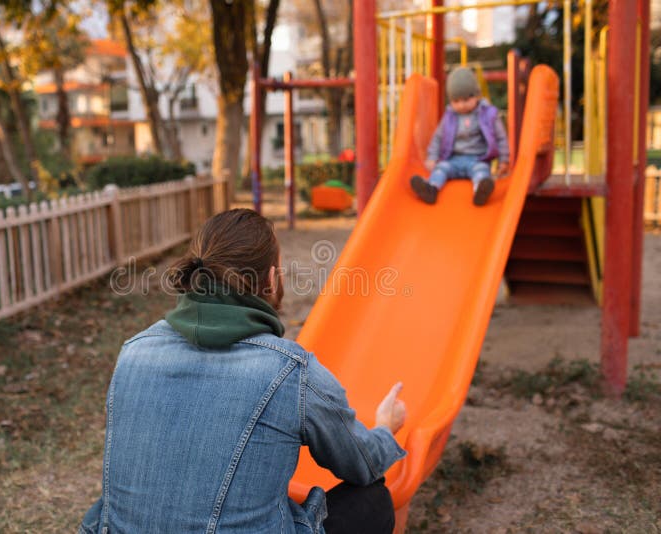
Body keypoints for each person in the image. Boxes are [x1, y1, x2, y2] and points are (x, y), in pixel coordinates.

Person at [80, 208, 407, 534]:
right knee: (373, 501)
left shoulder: (135, 351)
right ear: (271, 280)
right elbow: (361, 464)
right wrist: (385, 428)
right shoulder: (291, 371)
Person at [410, 66, 510, 206]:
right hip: (453, 160)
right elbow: (438, 138)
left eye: (466, 100)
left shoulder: (488, 114)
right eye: (456, 101)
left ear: (476, 95)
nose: (461, 105)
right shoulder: (449, 116)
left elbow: (501, 138)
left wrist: (504, 160)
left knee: (481, 172)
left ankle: (480, 191)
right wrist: (432, 157)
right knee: (441, 169)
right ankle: (431, 189)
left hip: (478, 159)